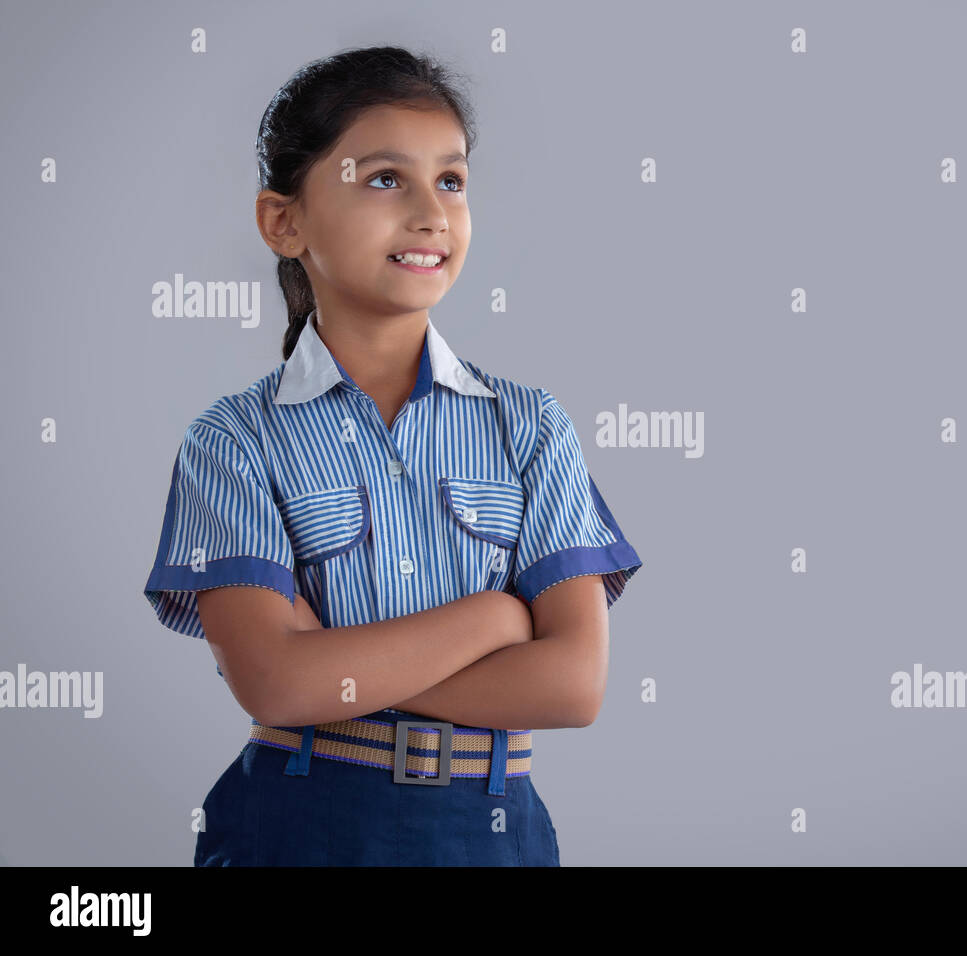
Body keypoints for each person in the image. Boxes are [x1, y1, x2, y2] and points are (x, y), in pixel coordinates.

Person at [142, 45, 643, 866]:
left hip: (494, 832)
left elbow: (573, 686)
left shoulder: (531, 426)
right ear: (284, 221)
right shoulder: (233, 440)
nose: (431, 212)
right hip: (303, 825)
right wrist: (497, 619)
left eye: (450, 180)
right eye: (383, 178)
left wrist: (325, 665)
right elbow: (271, 685)